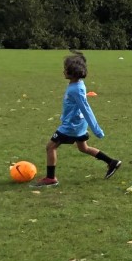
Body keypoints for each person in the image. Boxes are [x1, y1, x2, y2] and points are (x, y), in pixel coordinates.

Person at [33, 52, 123, 187]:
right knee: (83, 148)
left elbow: (86, 109)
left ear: (73, 73)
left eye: (66, 69)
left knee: (51, 147)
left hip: (71, 126)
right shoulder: (78, 84)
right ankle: (112, 162)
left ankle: (51, 178)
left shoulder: (76, 89)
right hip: (78, 123)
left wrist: (96, 129)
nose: (63, 71)